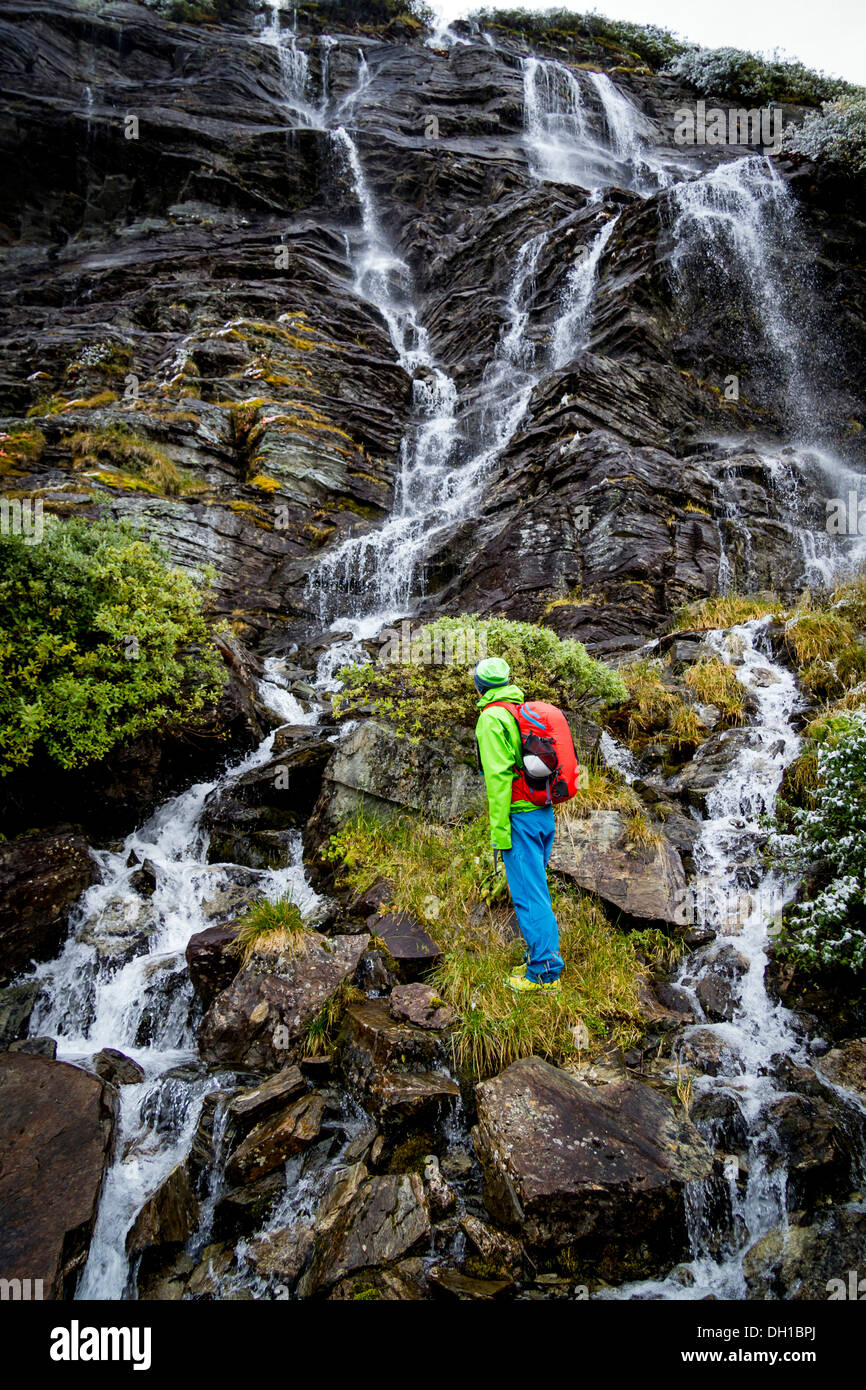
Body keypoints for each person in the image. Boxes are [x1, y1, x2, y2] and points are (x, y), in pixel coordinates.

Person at [473, 656, 564, 993]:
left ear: (480, 686)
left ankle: (543, 973)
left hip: (519, 817)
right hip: (542, 812)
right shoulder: (521, 710)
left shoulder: (491, 718)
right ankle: (539, 957)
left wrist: (499, 832)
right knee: (536, 890)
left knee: (529, 896)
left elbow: (497, 779)